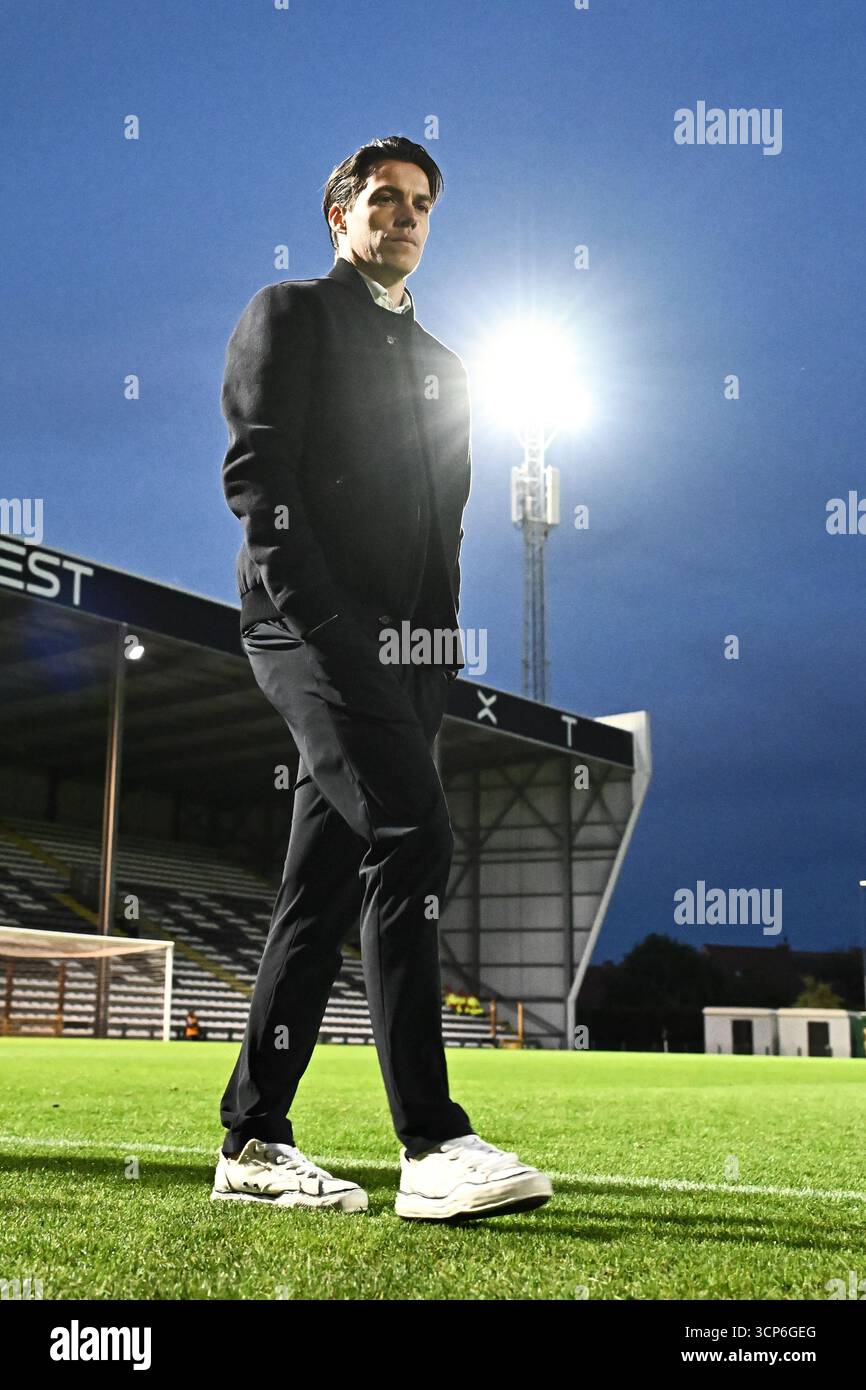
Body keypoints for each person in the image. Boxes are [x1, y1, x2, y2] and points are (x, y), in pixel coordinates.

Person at [212, 135, 552, 1221]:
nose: (402, 215)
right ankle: (432, 1143)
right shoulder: (290, 314)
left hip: (405, 660)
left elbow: (440, 539)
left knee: (316, 888)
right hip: (303, 629)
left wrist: (431, 665)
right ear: (337, 214)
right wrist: (331, 635)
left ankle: (252, 1141)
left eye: (418, 204)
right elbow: (257, 483)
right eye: (381, 199)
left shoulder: (448, 366)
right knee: (415, 831)